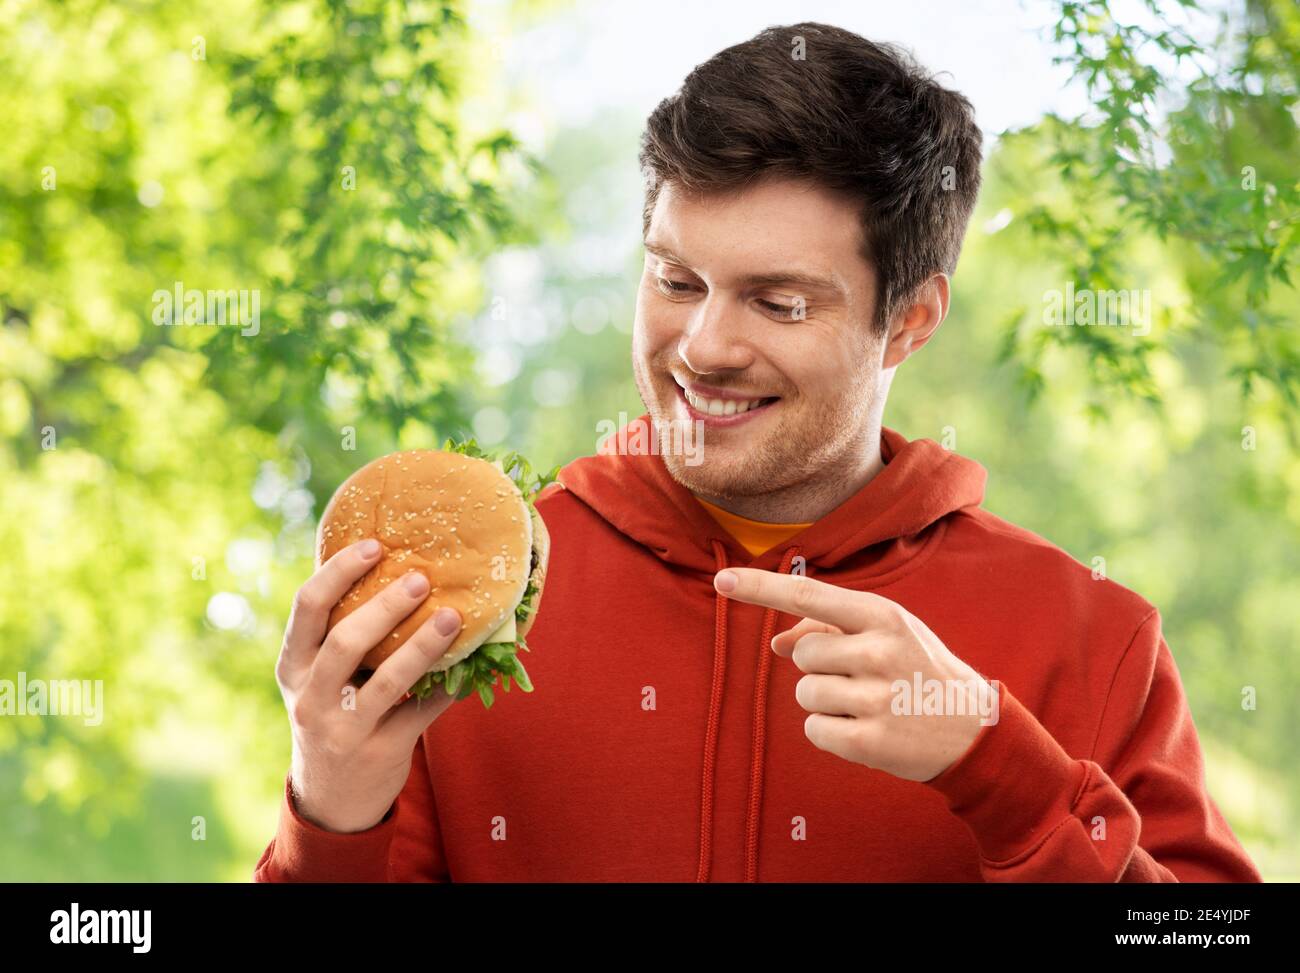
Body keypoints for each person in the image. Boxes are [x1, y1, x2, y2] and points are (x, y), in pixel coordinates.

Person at [255, 21, 1261, 882]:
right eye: (676, 280)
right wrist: (329, 814)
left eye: (778, 302)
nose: (703, 348)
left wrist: (1001, 772)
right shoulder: (465, 611)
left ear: (909, 322)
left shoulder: (1089, 634)